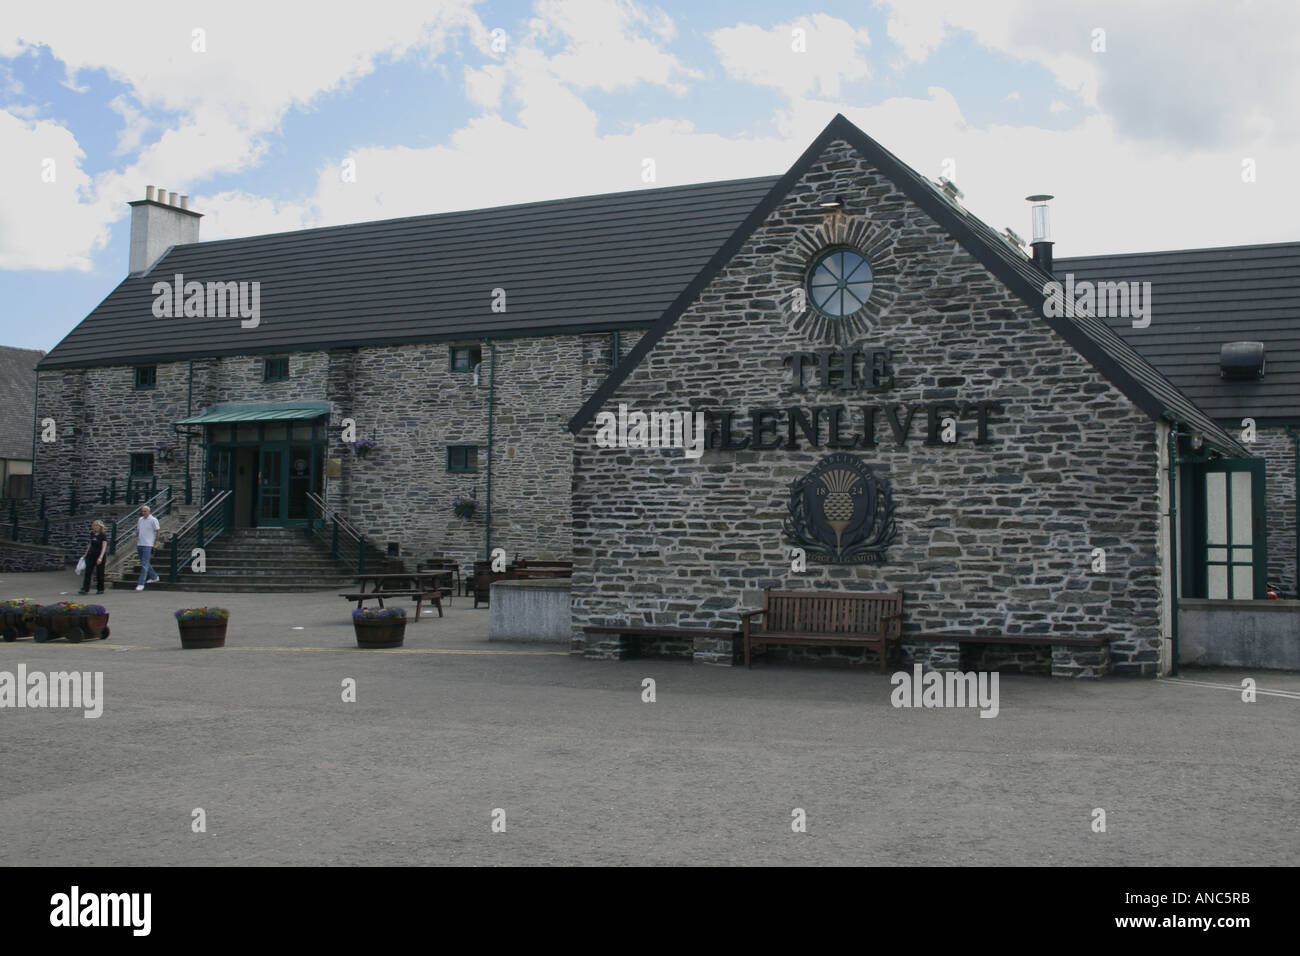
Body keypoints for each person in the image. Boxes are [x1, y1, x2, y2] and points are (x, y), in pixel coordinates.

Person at [78, 519, 109, 595]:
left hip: (99, 555)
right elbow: (90, 544)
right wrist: (86, 553)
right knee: (88, 572)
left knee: (100, 573)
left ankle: (100, 589)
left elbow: (104, 546)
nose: (95, 527)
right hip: (91, 554)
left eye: (97, 525)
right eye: (94, 525)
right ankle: (85, 589)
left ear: (100, 526)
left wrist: (100, 557)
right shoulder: (92, 534)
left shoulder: (103, 535)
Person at [135, 505, 162, 591]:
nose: (143, 513)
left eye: (145, 511)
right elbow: (138, 530)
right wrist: (135, 534)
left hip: (148, 544)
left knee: (144, 563)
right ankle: (154, 576)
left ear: (148, 511)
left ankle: (141, 583)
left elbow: (157, 531)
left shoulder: (153, 520)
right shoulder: (140, 520)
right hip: (140, 543)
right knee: (144, 562)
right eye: (142, 511)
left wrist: (156, 542)